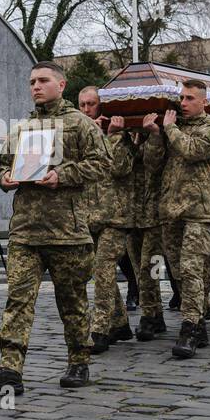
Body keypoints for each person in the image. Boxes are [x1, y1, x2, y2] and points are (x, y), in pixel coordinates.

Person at [0, 62, 104, 393]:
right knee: (18, 300)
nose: (36, 86)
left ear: (61, 85)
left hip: (68, 232)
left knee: (72, 302)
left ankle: (78, 362)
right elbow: (1, 165)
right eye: (32, 81)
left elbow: (102, 165)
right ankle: (10, 370)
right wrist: (4, 178)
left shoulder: (81, 125)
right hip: (26, 231)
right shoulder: (21, 128)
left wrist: (63, 175)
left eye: (43, 80)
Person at [152, 80, 210, 358]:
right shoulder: (174, 128)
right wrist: (156, 135)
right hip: (170, 211)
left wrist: (169, 129)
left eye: (189, 98)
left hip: (197, 212)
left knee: (194, 269)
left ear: (203, 101)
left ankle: (190, 328)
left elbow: (192, 151)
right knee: (179, 271)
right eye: (181, 97)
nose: (183, 102)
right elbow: (153, 164)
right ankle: (197, 318)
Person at [89, 115, 140, 353]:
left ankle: (99, 329)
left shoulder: (123, 139)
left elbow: (120, 168)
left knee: (103, 269)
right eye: (83, 105)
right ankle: (119, 324)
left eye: (92, 105)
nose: (87, 110)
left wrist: (113, 135)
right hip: (91, 216)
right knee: (103, 274)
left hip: (116, 217)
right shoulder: (86, 136)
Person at [131, 113, 168, 340]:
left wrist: (153, 135)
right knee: (139, 268)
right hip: (131, 214)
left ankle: (148, 315)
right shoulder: (126, 136)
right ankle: (156, 313)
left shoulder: (161, 135)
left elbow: (153, 164)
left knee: (150, 267)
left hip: (154, 214)